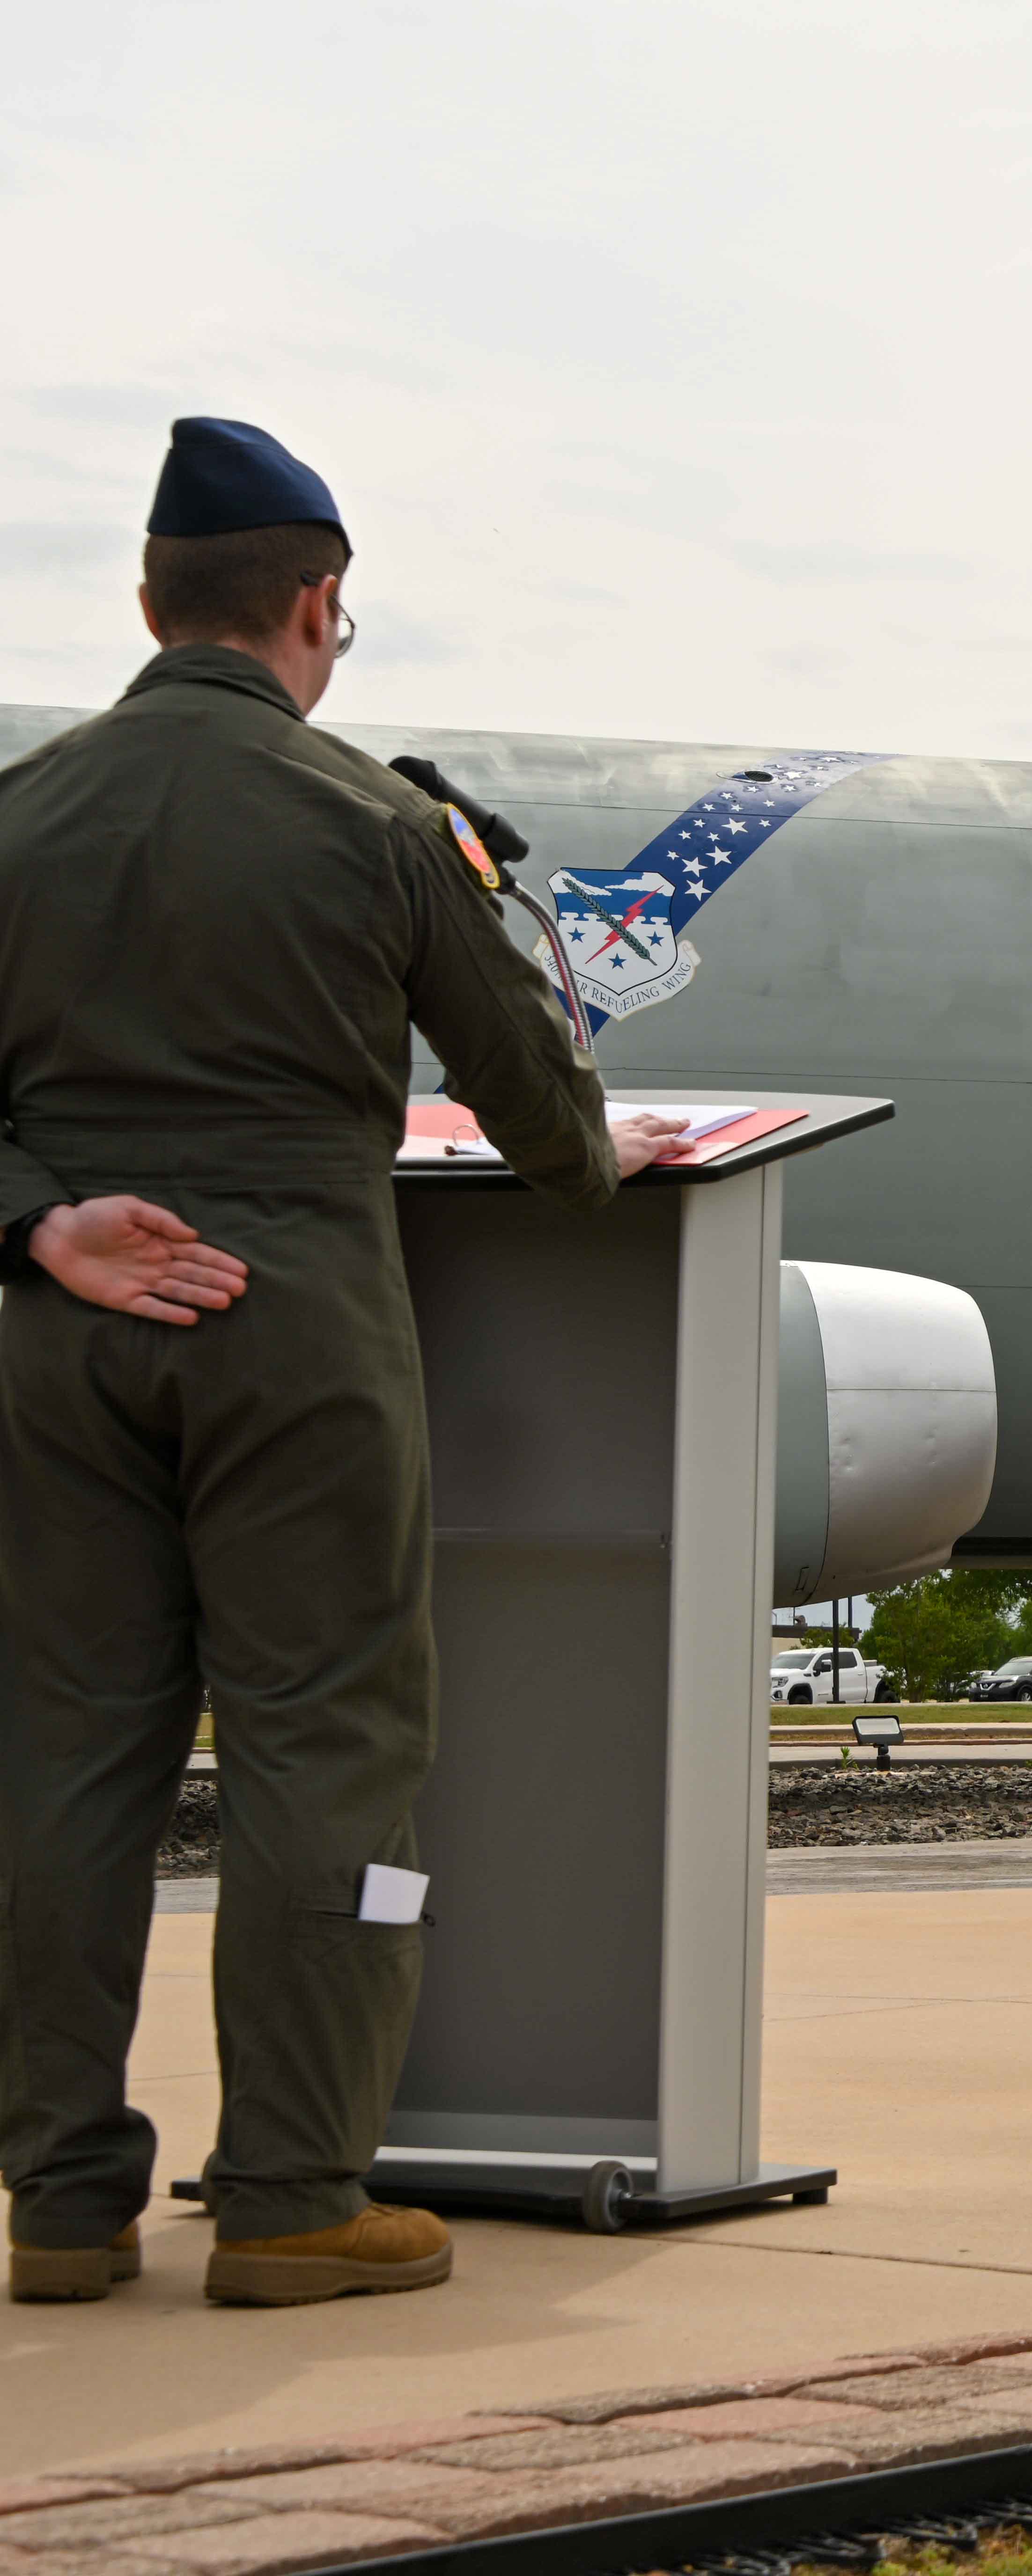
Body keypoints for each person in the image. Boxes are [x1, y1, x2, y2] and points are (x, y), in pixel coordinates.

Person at [0, 419, 658, 2310]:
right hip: (298, 1334)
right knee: (325, 1745)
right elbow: (555, 1130)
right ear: (313, 607)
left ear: (145, 604)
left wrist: (43, 1224)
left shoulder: (19, 814)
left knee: (58, 1761)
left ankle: (60, 2196)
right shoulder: (375, 821)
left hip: (63, 1341)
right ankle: (291, 2189)